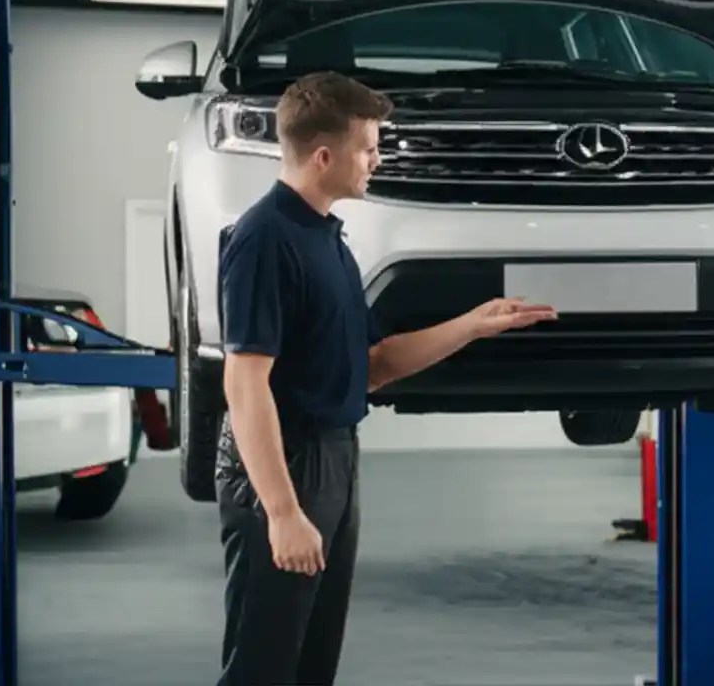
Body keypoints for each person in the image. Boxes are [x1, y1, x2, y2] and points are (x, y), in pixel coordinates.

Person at [214, 71, 558, 686]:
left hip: (335, 457)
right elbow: (245, 384)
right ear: (325, 156)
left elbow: (375, 365)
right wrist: (283, 510)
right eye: (369, 147)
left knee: (310, 665)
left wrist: (473, 325)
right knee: (264, 666)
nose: (378, 158)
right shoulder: (264, 239)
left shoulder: (327, 239)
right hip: (285, 463)